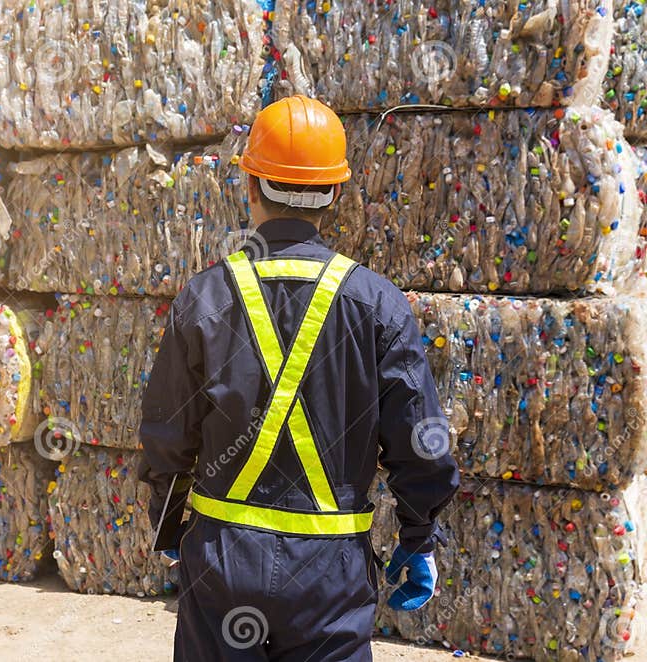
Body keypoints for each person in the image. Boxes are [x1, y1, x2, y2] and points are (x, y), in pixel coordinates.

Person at [138, 95, 460, 661]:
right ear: (335, 192)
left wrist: (169, 531)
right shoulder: (377, 304)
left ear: (251, 186)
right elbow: (419, 440)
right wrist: (418, 538)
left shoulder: (206, 297)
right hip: (329, 575)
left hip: (222, 564)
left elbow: (169, 433)